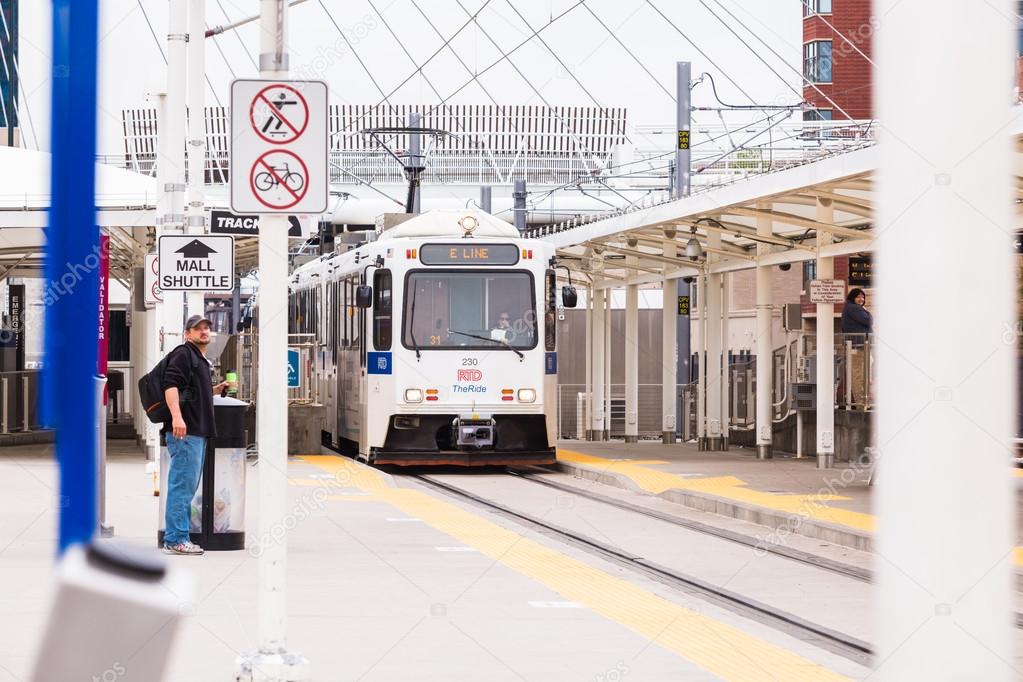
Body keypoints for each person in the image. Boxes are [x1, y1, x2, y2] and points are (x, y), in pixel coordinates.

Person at [162, 315, 234, 555]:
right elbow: (170, 385)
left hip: (195, 432)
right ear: (187, 333)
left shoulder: (199, 359)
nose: (204, 331)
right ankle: (175, 540)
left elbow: (192, 391)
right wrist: (177, 417)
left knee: (186, 487)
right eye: (197, 328)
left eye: (206, 328)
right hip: (186, 432)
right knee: (182, 487)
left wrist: (216, 389)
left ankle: (177, 537)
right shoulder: (184, 354)